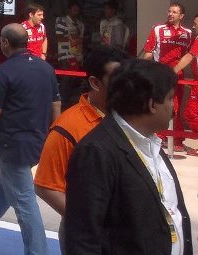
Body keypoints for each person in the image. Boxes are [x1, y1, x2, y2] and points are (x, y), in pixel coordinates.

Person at [65, 59, 193, 255]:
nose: (173, 109)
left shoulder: (151, 143)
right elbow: (84, 237)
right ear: (151, 104)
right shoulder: (97, 152)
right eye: (169, 99)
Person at [0, 24, 60, 254]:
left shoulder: (4, 72)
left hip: (11, 144)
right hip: (38, 142)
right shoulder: (45, 69)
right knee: (4, 190)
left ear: (4, 42)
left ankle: (38, 251)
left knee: (24, 202)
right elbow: (55, 105)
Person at [35, 46, 126, 252]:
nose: (126, 87)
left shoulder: (131, 119)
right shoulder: (67, 127)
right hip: (87, 236)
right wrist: (90, 221)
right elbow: (46, 186)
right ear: (95, 82)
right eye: (117, 81)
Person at [141, 2, 193, 153]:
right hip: (160, 73)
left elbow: (189, 56)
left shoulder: (188, 33)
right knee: (159, 104)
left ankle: (175, 139)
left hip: (178, 75)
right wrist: (136, 67)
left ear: (181, 16)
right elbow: (149, 52)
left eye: (175, 12)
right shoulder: (158, 29)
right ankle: (160, 136)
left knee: (175, 106)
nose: (170, 14)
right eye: (169, 11)